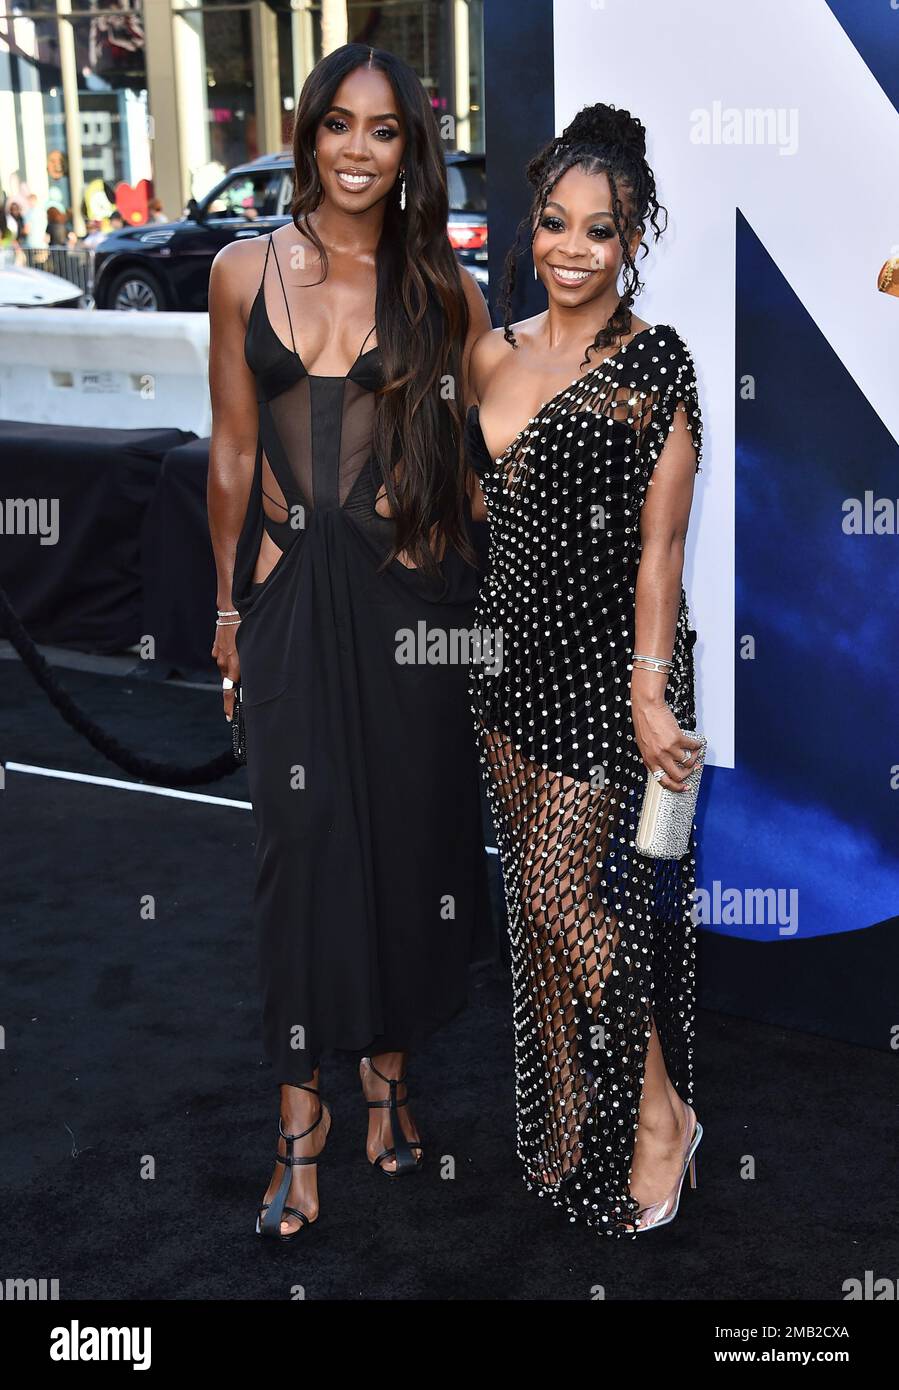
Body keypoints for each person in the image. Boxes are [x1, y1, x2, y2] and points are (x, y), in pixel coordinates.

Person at [207, 43, 493, 1240]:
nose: (358, 152)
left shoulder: (444, 289)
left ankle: (385, 1084)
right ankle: (299, 1119)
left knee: (404, 840)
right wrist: (226, 608)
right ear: (305, 133)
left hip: (408, 614)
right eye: (338, 126)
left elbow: (476, 465)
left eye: (383, 131)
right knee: (299, 854)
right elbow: (227, 450)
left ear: (408, 147)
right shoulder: (236, 271)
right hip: (284, 600)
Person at [466, 102, 705, 1236]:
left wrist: (650, 688)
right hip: (502, 667)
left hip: (600, 674)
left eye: (598, 231)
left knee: (564, 897)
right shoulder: (490, 348)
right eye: (554, 224)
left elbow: (661, 545)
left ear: (631, 239)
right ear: (533, 226)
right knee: (533, 903)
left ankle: (661, 1114)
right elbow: (483, 511)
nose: (571, 248)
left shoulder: (650, 366)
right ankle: (568, 1116)